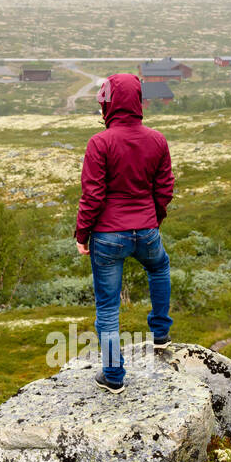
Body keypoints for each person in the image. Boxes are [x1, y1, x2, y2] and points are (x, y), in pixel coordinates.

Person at [74, 73, 175, 394]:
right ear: (138, 102)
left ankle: (114, 376)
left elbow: (92, 195)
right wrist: (153, 220)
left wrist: (81, 235)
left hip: (107, 236)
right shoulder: (157, 140)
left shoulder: (99, 143)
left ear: (110, 104)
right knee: (159, 268)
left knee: (107, 308)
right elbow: (165, 189)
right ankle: (160, 335)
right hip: (146, 230)